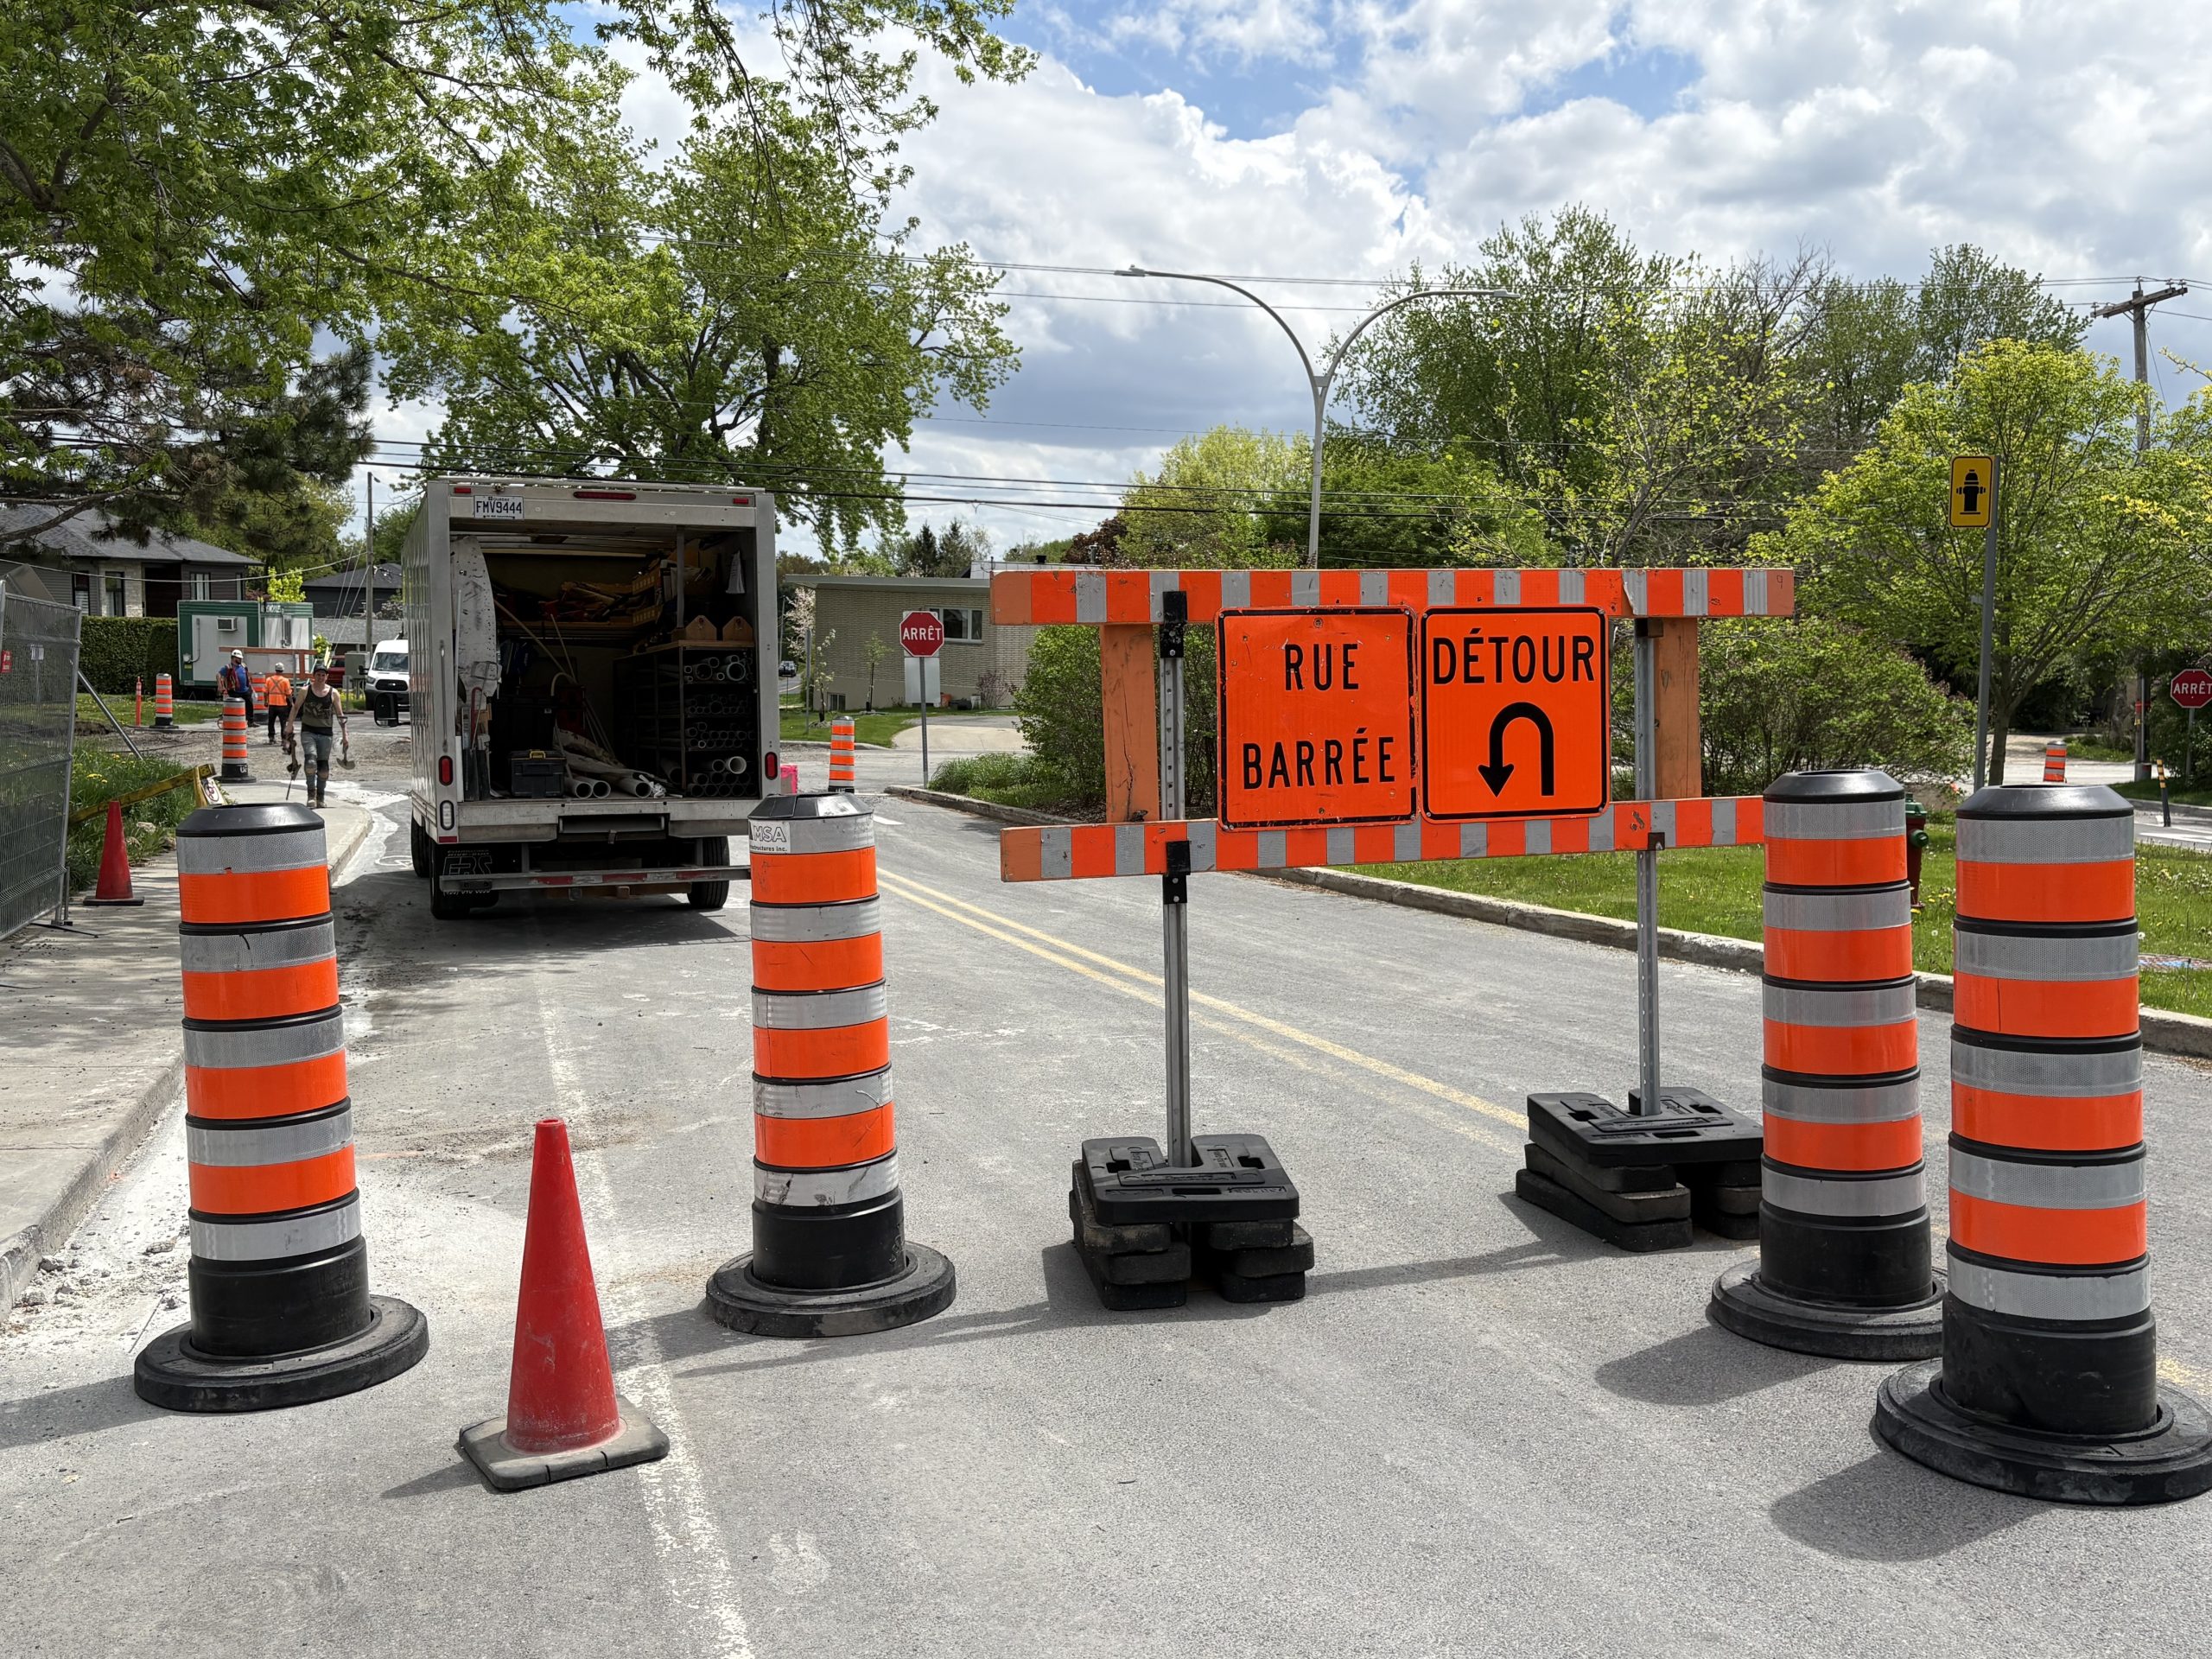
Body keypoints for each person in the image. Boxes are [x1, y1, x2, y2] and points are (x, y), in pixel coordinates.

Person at [292, 664, 347, 808]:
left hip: (326, 733)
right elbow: (296, 707)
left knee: (323, 768)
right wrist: (289, 725)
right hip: (308, 731)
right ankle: (311, 794)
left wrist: (345, 734)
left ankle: (321, 796)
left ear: (326, 677)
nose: (321, 678)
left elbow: (341, 715)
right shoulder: (305, 691)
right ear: (314, 676)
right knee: (310, 762)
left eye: (323, 675)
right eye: (318, 675)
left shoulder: (333, 693)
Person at [217, 650, 254, 720]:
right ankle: (236, 720)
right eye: (239, 658)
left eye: (241, 658)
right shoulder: (228, 667)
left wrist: (251, 688)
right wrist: (220, 686)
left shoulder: (243, 666)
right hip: (234, 691)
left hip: (245, 690)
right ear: (234, 658)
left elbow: (247, 676)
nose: (240, 660)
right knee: (236, 706)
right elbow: (218, 675)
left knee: (249, 705)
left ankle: (250, 721)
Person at [262, 664, 293, 746]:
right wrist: (292, 703)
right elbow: (289, 693)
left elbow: (265, 692)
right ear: (282, 670)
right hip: (282, 705)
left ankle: (271, 739)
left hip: (272, 705)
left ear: (275, 670)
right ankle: (283, 740)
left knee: (271, 722)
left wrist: (266, 701)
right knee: (283, 723)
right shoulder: (285, 680)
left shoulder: (269, 679)